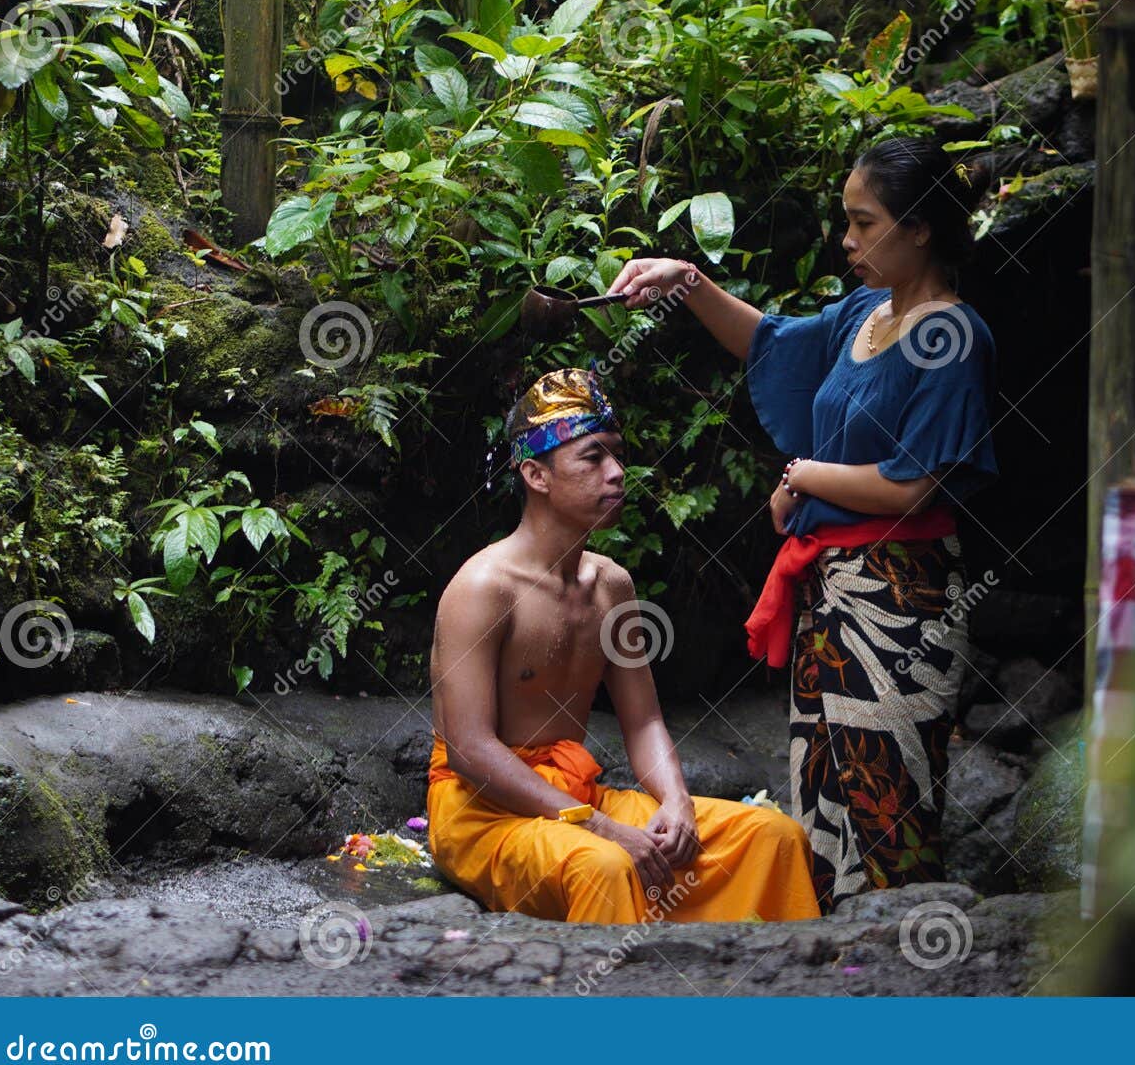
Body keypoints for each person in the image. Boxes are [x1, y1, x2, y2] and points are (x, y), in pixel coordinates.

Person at [609, 137, 998, 912]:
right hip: (828, 588)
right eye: (846, 221)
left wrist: (804, 476)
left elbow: (913, 486)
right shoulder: (864, 313)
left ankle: (904, 954)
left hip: (901, 600)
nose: (847, 240)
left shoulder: (953, 337)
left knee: (886, 794)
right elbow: (770, 342)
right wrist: (686, 280)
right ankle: (830, 956)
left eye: (864, 223)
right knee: (823, 787)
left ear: (921, 229)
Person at [425, 366, 820, 924]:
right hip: (484, 813)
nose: (617, 473)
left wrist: (676, 803)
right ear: (536, 475)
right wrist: (599, 826)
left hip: (577, 800)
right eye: (593, 458)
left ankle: (763, 974)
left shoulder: (612, 586)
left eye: (617, 454)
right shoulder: (482, 589)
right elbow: (469, 750)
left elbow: (643, 721)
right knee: (606, 866)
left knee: (772, 836)